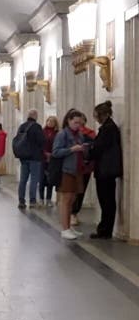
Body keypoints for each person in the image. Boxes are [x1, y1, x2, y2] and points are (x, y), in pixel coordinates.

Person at [88, 101, 123, 239]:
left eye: (97, 116)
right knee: (106, 200)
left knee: (106, 200)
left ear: (104, 115)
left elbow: (99, 148)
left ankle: (105, 230)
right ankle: (104, 228)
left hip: (105, 170)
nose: (96, 118)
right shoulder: (108, 127)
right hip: (106, 169)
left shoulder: (108, 129)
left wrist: (89, 152)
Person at [52, 110, 88, 240]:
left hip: (77, 169)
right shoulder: (62, 134)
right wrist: (71, 149)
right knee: (66, 200)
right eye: (75, 122)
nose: (78, 125)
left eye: (80, 123)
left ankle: (69, 227)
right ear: (68, 120)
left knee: (73, 199)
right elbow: (55, 152)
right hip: (66, 170)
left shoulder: (79, 134)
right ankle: (65, 229)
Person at [15, 109, 45, 208]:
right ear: (35, 116)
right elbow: (41, 141)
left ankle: (21, 201)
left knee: (23, 179)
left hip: (23, 157)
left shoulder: (22, 126)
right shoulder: (36, 127)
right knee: (34, 179)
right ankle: (32, 201)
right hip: (35, 157)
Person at [70, 114, 97, 226]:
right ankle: (72, 213)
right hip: (77, 166)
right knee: (77, 191)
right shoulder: (70, 134)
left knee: (78, 191)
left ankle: (73, 213)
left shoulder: (90, 134)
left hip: (84, 167)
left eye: (80, 122)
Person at [40, 116, 60, 206]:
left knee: (50, 180)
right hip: (42, 158)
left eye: (52, 121)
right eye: (49, 121)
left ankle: (48, 199)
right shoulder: (42, 132)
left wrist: (52, 154)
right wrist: (45, 153)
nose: (50, 122)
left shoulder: (57, 133)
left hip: (53, 158)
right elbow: (40, 144)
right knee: (41, 178)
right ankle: (41, 198)